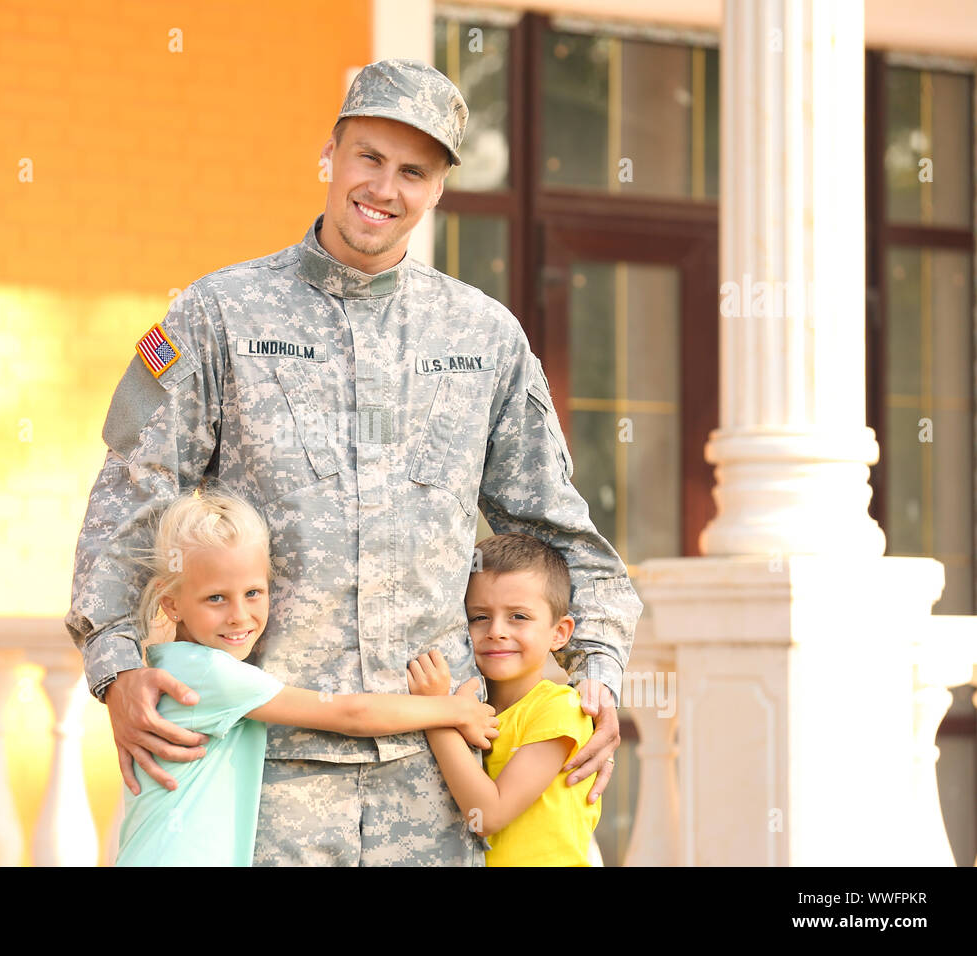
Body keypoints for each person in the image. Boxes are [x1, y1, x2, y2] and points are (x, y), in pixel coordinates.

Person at [66, 58, 643, 865]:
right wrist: (115, 663)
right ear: (329, 157)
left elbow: (561, 536)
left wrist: (600, 674)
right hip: (265, 778)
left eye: (413, 170)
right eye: (368, 156)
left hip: (440, 789)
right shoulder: (217, 315)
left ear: (439, 189)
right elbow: (136, 493)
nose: (384, 187)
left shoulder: (484, 339)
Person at [116, 489, 499, 866]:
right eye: (216, 598)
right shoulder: (208, 674)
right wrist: (453, 710)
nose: (238, 615)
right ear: (171, 603)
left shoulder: (174, 663)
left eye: (253, 592)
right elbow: (353, 714)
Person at [407, 533, 600, 866]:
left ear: (559, 633)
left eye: (518, 617)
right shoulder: (476, 706)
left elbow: (489, 815)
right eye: (479, 617)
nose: (496, 630)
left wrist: (437, 713)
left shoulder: (561, 710)